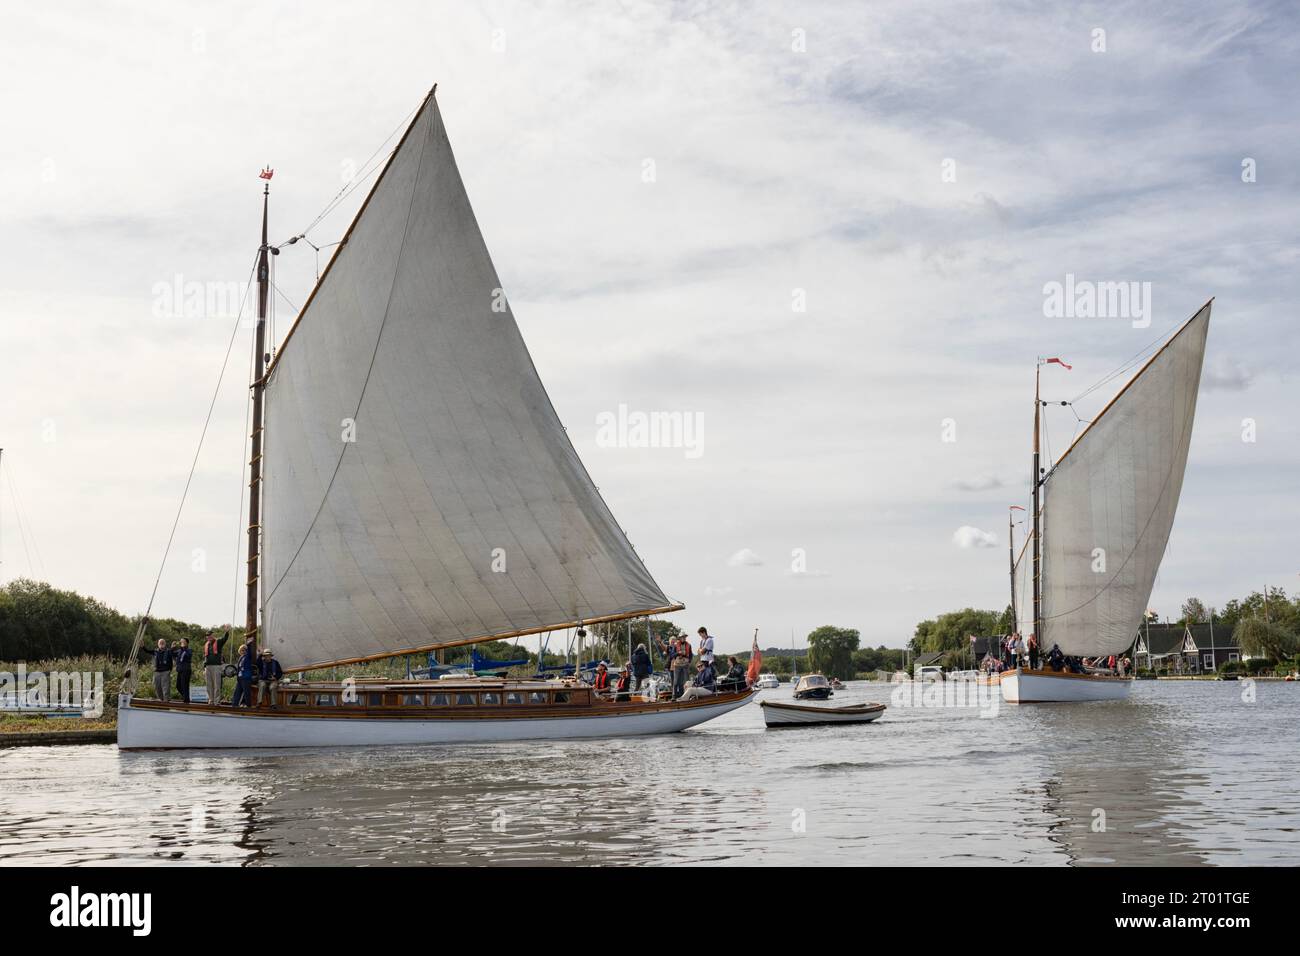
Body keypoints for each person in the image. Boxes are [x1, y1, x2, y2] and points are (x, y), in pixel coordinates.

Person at [202, 629, 230, 706]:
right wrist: (204, 667)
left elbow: (224, 639)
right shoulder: (206, 644)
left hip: (216, 666)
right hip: (208, 667)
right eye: (207, 635)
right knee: (209, 685)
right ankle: (211, 700)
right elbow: (205, 657)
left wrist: (226, 632)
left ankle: (217, 701)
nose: (209, 636)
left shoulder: (218, 641)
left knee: (217, 685)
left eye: (210, 635)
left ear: (213, 635)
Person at [174, 638, 193, 704]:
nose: (182, 642)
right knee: (178, 686)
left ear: (187, 643)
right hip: (180, 670)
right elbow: (172, 654)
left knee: (185, 686)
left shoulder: (189, 650)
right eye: (181, 641)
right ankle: (186, 697)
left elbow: (188, 656)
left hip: (186, 670)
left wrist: (183, 648)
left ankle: (186, 700)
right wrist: (172, 648)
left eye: (183, 641)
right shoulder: (179, 651)